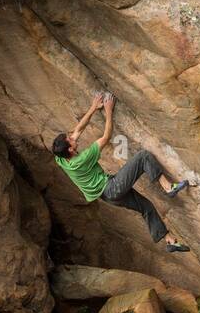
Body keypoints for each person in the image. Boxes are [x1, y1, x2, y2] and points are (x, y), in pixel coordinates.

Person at [51, 92, 190, 252]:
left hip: (107, 196)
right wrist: (108, 111)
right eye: (71, 140)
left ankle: (169, 241)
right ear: (70, 148)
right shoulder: (81, 161)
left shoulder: (60, 158)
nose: (73, 137)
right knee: (143, 156)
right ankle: (167, 187)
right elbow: (106, 137)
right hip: (112, 188)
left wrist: (93, 108)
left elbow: (78, 130)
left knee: (146, 206)